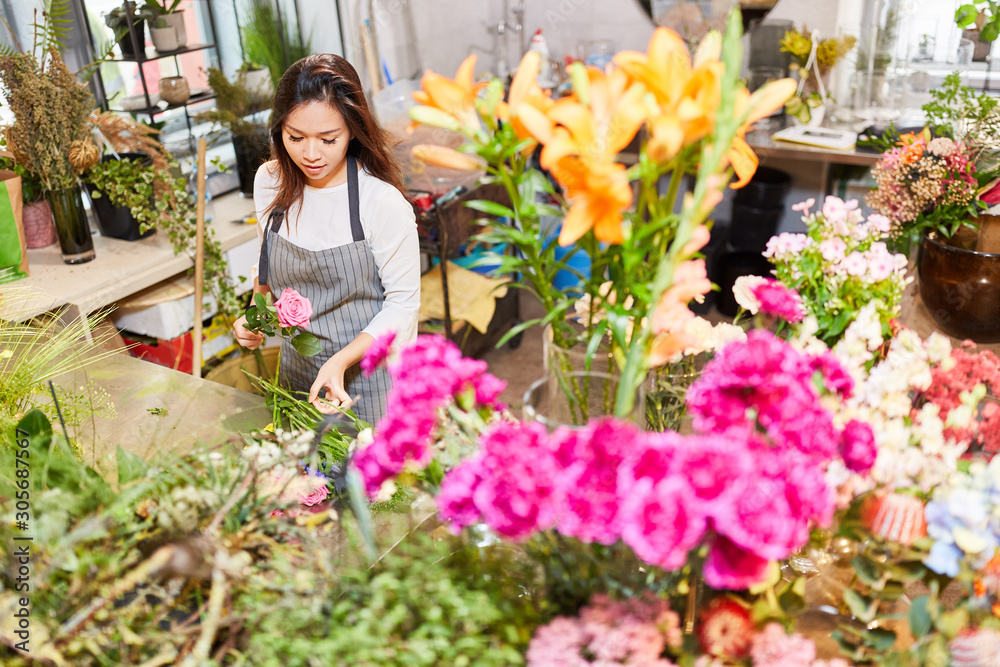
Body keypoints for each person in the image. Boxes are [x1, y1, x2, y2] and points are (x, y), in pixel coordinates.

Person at [232, 54, 420, 426]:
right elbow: (266, 261)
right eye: (295, 137)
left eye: (328, 139)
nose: (311, 154)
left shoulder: (380, 202)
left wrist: (340, 361)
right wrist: (255, 315)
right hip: (297, 373)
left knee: (364, 482)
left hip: (367, 379)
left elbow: (402, 306)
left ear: (353, 130)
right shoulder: (270, 180)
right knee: (304, 481)